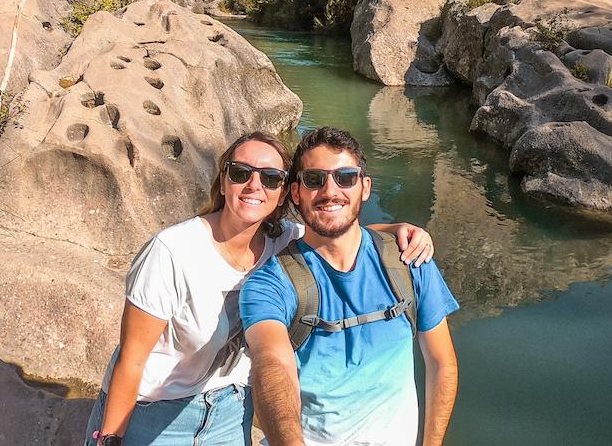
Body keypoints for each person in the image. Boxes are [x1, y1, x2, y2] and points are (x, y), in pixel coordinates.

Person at [85, 130, 435, 446]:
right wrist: (111, 438)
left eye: (270, 178)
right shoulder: (173, 252)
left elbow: (338, 229)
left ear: (285, 192)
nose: (255, 186)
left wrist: (399, 229)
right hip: (156, 411)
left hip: (231, 411)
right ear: (223, 182)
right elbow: (131, 361)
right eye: (240, 173)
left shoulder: (280, 238)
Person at [240, 126, 459, 446]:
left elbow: (442, 363)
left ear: (364, 187)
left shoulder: (409, 262)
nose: (331, 191)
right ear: (297, 193)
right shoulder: (270, 283)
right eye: (315, 179)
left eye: (345, 177)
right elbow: (272, 365)